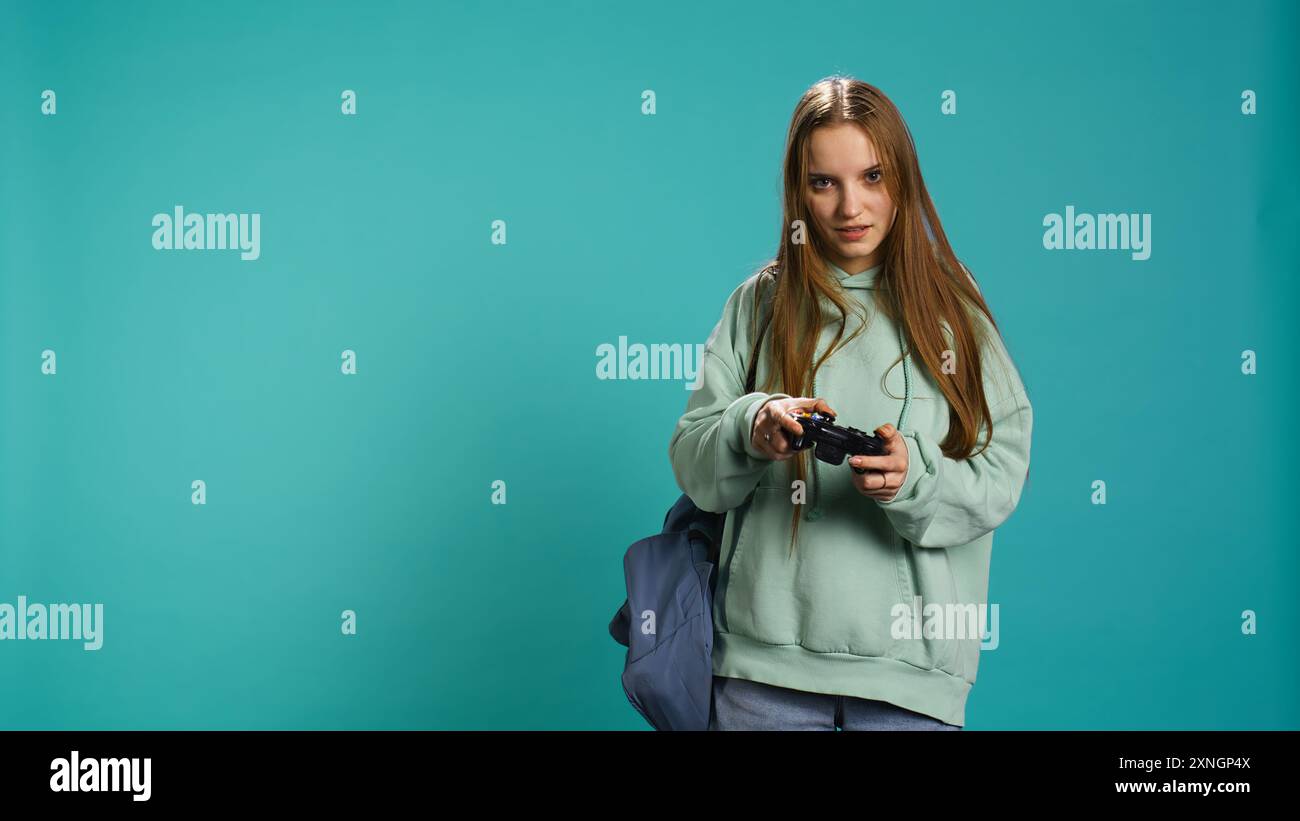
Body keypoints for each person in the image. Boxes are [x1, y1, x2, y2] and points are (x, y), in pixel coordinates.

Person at [668, 75, 1034, 731]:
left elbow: (1000, 471)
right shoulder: (759, 304)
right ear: (797, 190)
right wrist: (752, 426)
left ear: (903, 178)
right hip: (760, 675)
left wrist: (913, 478)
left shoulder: (952, 308)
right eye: (823, 182)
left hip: (910, 684)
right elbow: (693, 460)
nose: (849, 206)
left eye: (871, 176)